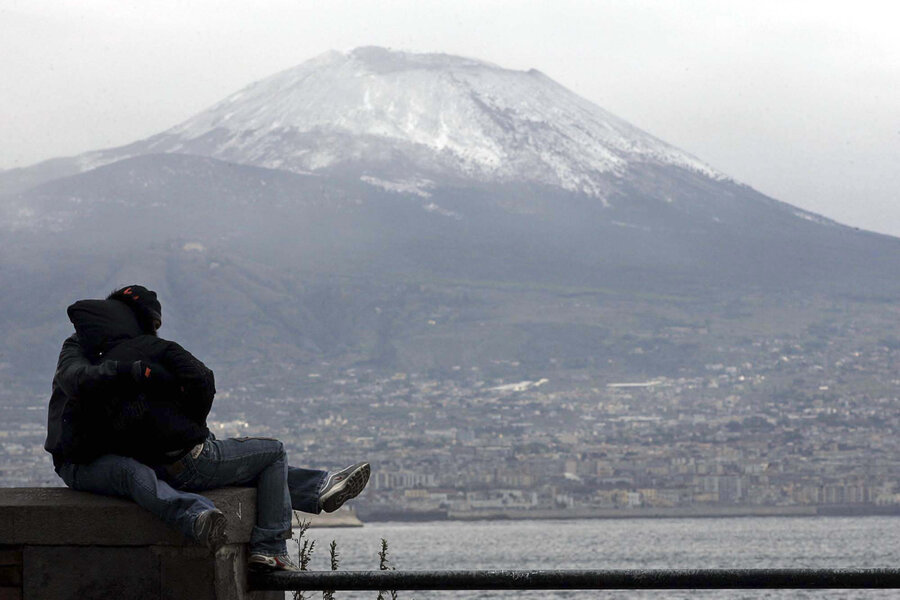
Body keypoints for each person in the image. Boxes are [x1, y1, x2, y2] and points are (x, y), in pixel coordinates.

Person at [45, 285, 370, 572]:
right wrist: (127, 371)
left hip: (136, 452)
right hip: (81, 457)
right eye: (152, 323)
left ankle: (318, 489)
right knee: (267, 453)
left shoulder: (129, 352)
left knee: (238, 462)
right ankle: (252, 535)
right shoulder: (82, 349)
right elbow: (76, 378)